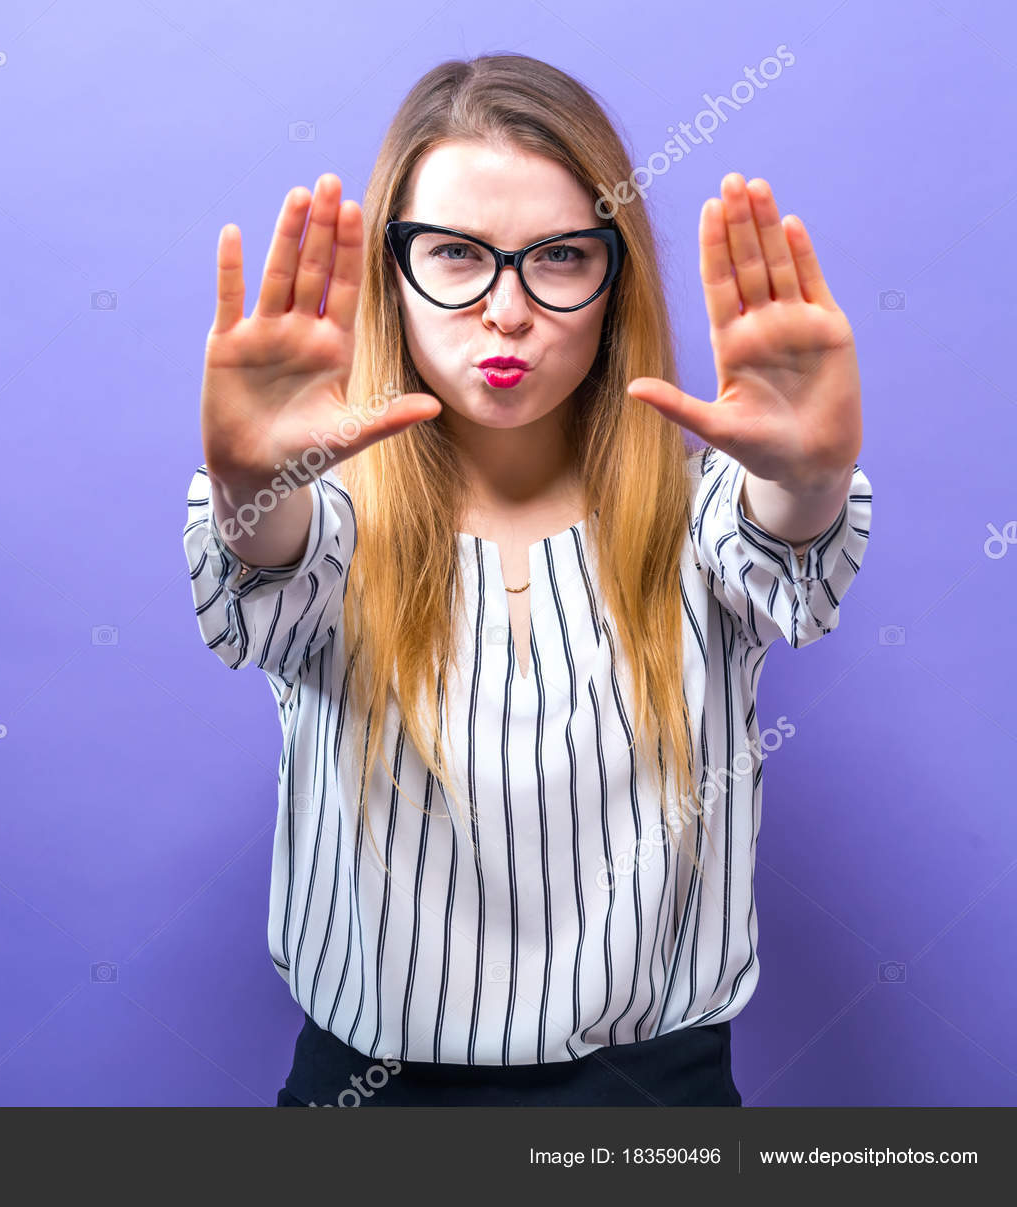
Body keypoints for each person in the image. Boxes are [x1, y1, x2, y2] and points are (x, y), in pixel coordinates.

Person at [181, 54, 872, 1107]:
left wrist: (811, 476)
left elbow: (784, 534)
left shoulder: (702, 518)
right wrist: (250, 483)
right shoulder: (328, 522)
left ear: (613, 277)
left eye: (556, 258)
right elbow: (266, 559)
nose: (505, 311)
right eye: (455, 254)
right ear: (391, 272)